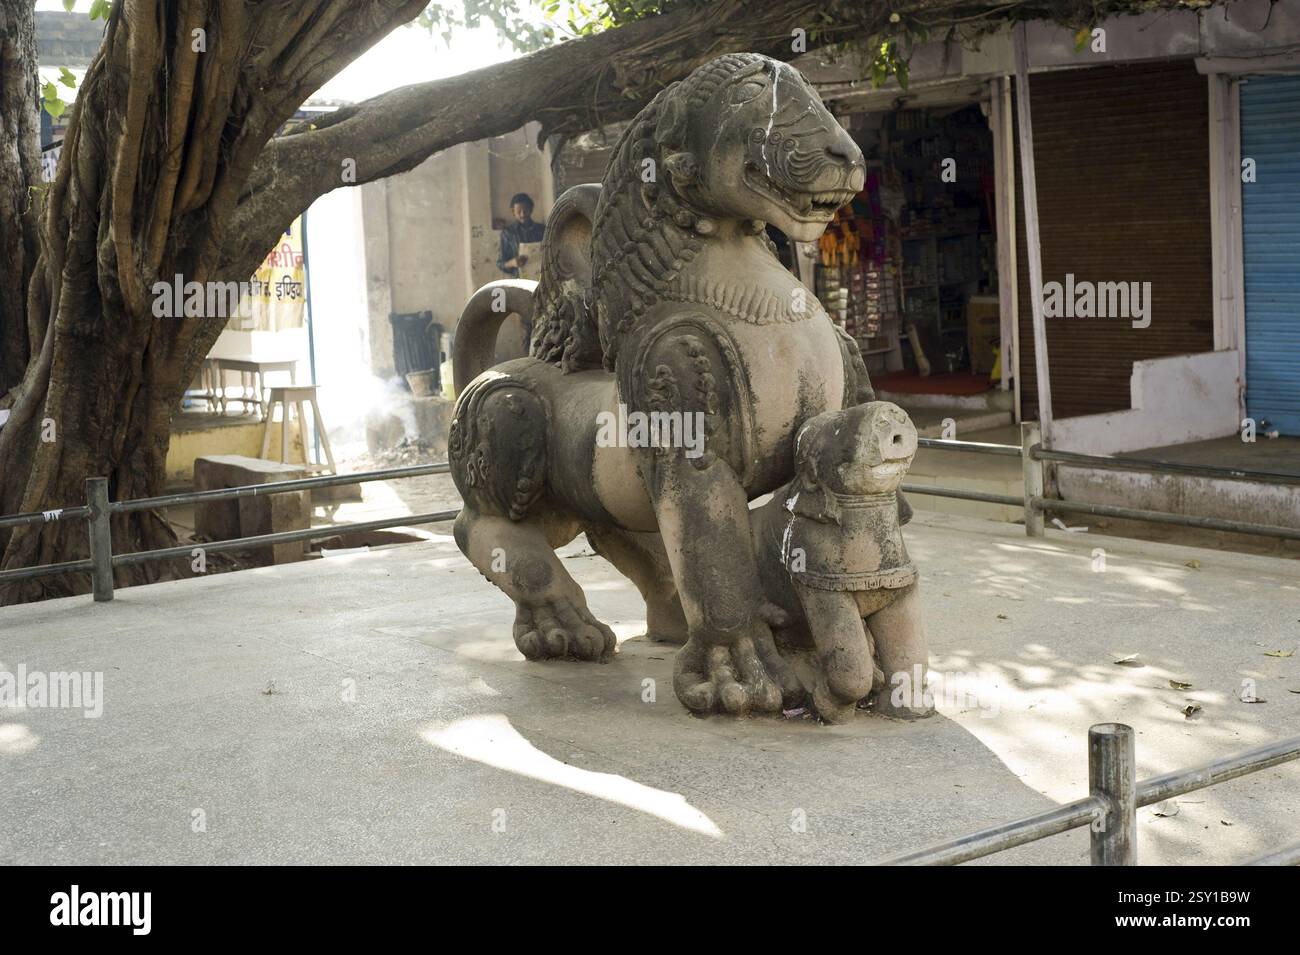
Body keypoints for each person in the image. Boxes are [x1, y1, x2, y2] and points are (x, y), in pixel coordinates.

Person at [496, 192, 546, 278]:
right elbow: (500, 263)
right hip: (519, 281)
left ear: (531, 209)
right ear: (513, 212)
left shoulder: (542, 229)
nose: (522, 214)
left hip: (541, 279)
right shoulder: (508, 233)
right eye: (519, 211)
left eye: (525, 210)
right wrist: (513, 262)